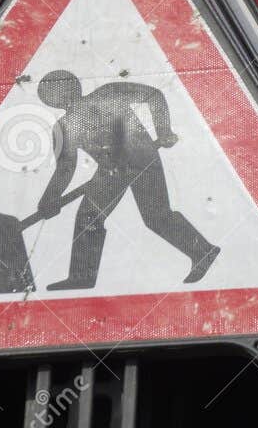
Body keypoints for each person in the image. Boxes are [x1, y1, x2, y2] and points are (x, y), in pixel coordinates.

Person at [32, 70, 220, 290]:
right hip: (113, 169)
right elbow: (66, 167)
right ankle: (82, 277)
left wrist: (163, 130)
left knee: (154, 216)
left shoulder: (106, 94)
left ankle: (203, 251)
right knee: (91, 217)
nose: (62, 97)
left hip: (140, 157)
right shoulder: (66, 125)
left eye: (59, 92)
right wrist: (50, 198)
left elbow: (154, 95)